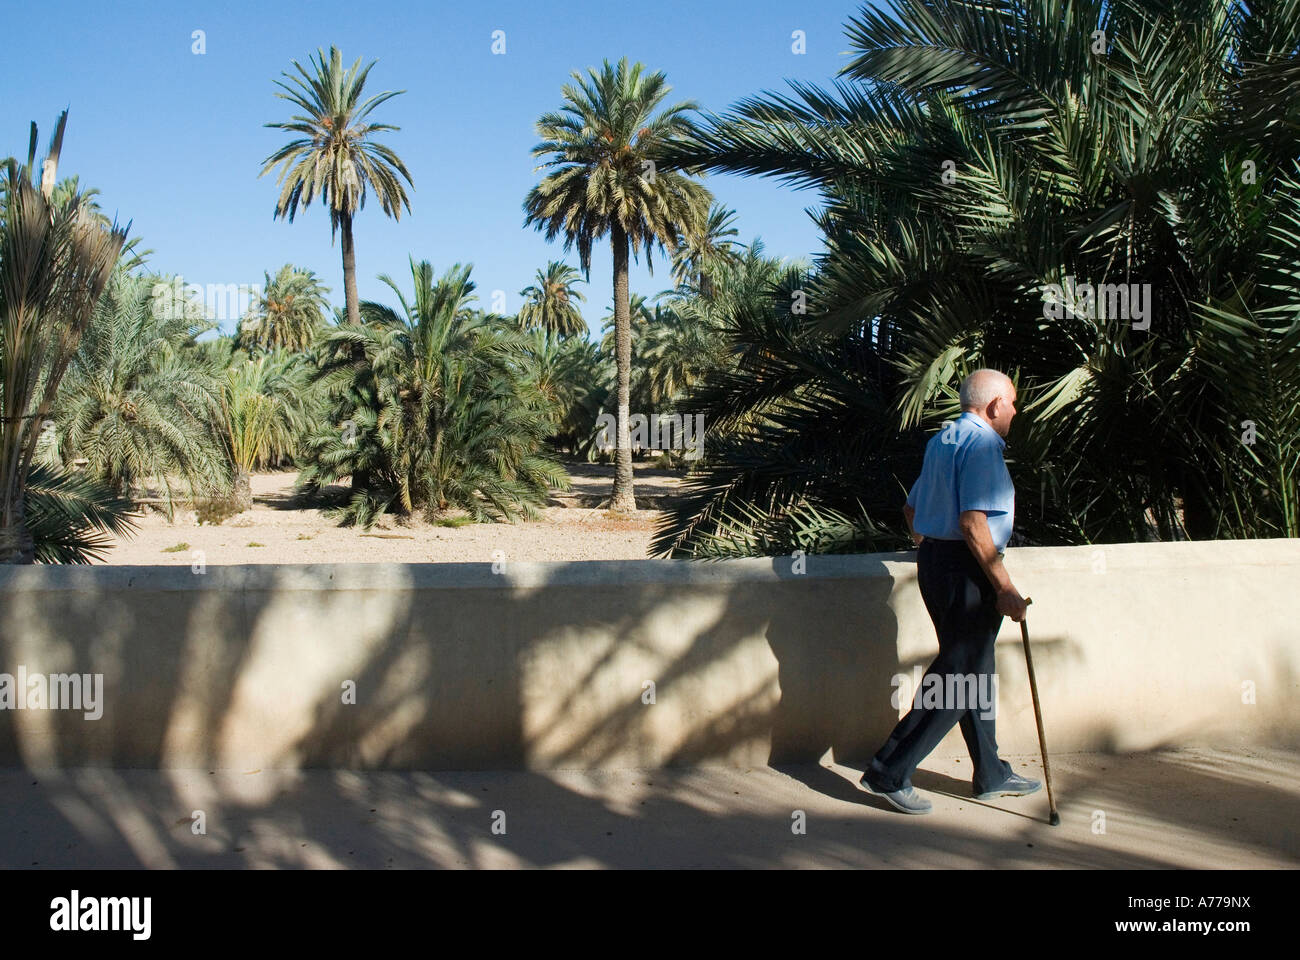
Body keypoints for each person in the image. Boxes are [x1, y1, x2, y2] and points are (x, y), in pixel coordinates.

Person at [859, 368, 1040, 815]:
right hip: (968, 568)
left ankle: (991, 774)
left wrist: (934, 548)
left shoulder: (944, 440)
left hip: (937, 564)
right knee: (959, 675)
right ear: (995, 405)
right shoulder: (981, 445)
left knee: (972, 668)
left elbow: (911, 508)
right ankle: (888, 770)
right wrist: (1005, 587)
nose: (1015, 411)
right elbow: (974, 523)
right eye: (1012, 403)